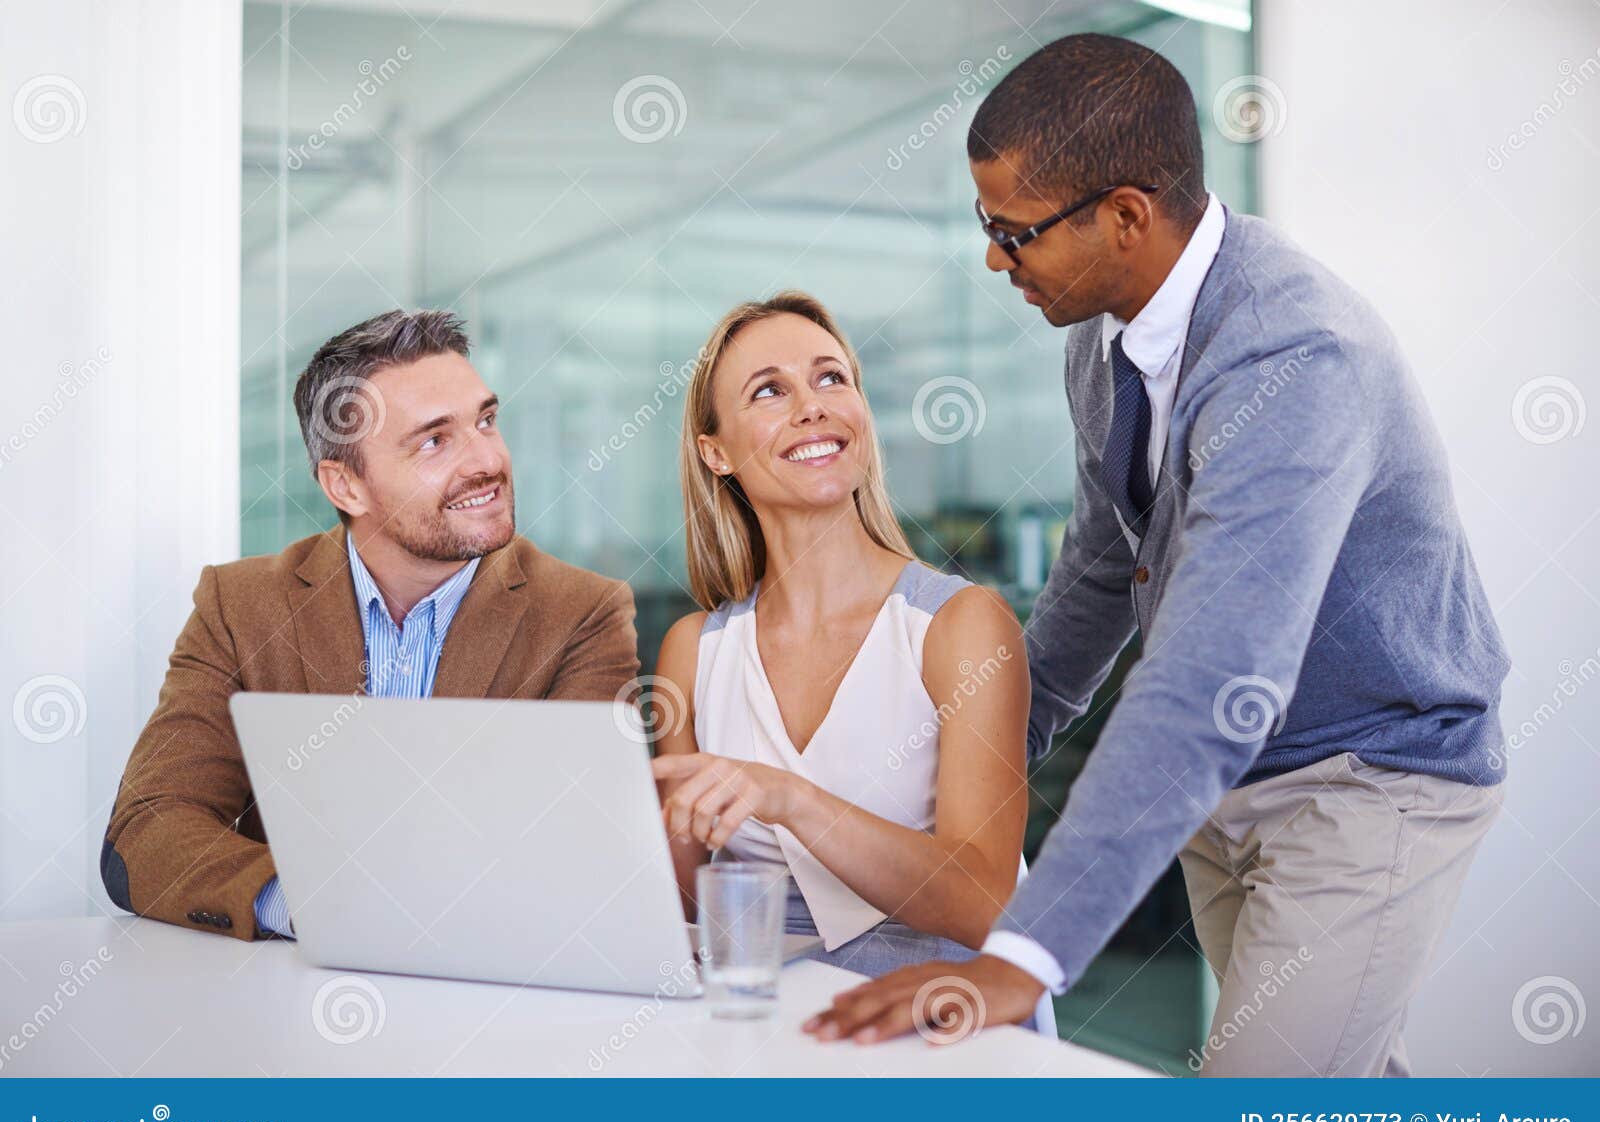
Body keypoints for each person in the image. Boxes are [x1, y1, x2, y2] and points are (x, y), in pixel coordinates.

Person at [807, 34, 1508, 1074]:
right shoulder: (1101, 339)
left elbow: (1212, 675)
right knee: (1338, 1098)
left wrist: (1025, 957)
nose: (995, 260)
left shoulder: (1295, 357)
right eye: (987, 227)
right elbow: (1101, 571)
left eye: (1014, 232)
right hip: (1225, 782)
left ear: (1127, 217)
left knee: (1257, 1110)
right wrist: (973, 758)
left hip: (1367, 773)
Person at [100, 309, 639, 940]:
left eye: (485, 421)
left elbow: (579, 848)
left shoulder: (582, 614)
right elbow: (147, 830)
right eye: (434, 441)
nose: (487, 460)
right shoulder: (241, 606)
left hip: (486, 983)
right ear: (345, 486)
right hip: (291, 986)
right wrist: (312, 907)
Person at [650, 292, 1049, 1032]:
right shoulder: (695, 652)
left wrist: (792, 800)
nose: (813, 407)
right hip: (763, 1025)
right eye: (769, 391)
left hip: (937, 1025)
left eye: (831, 378)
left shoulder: (958, 626)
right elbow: (679, 913)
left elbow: (984, 903)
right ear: (717, 453)